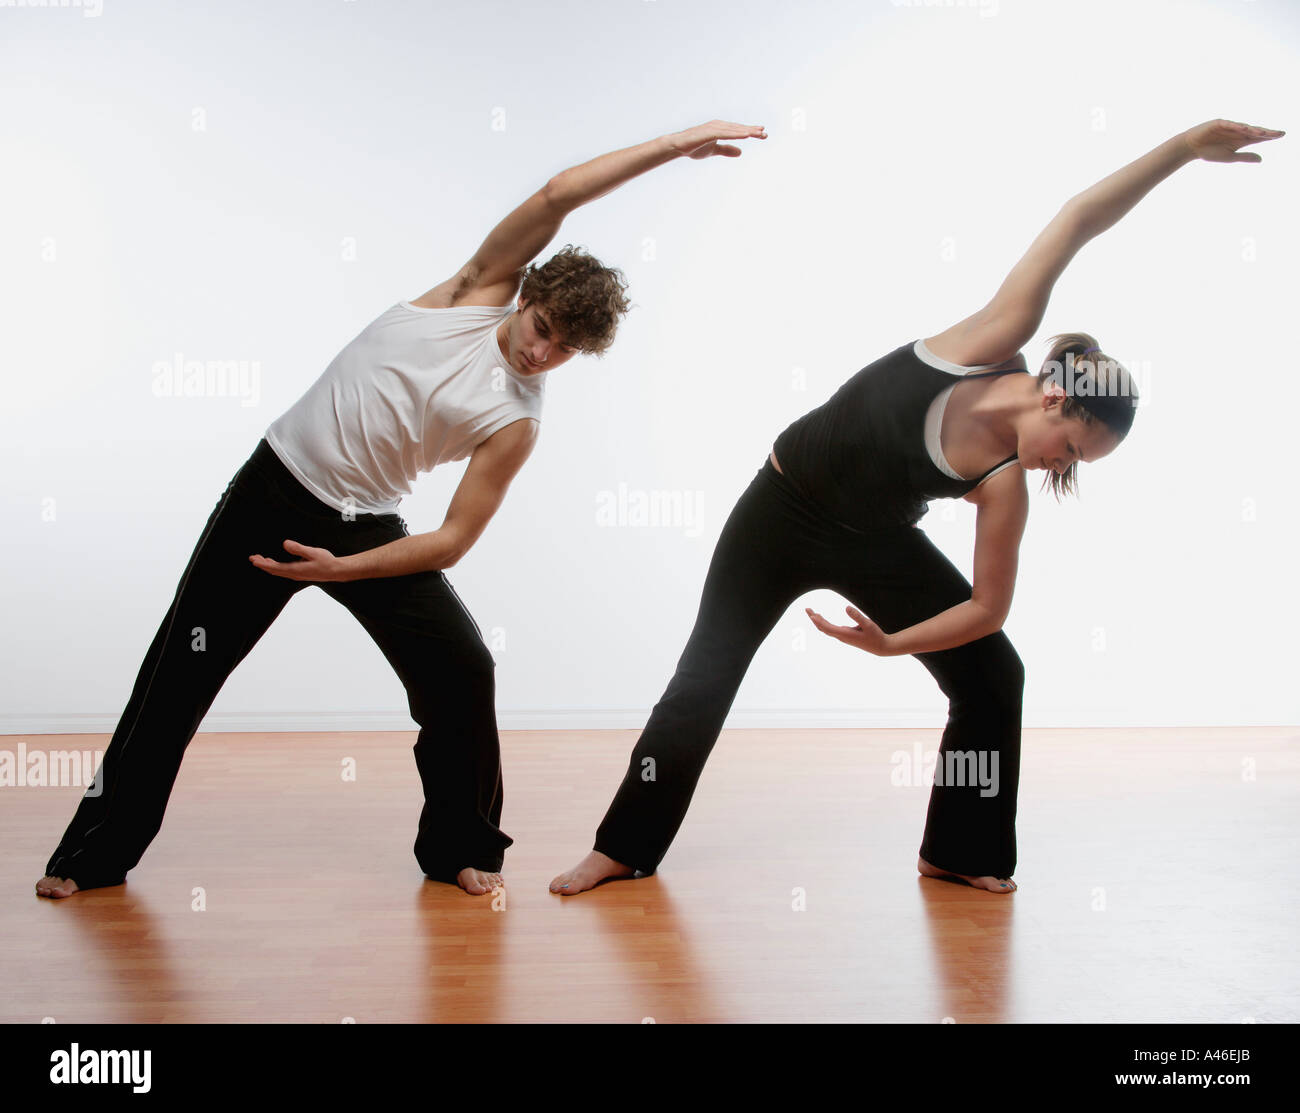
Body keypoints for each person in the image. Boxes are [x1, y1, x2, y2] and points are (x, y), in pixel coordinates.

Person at [35, 119, 768, 900]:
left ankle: (458, 844)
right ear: (526, 296)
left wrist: (344, 567)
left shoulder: (519, 422)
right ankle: (91, 855)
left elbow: (451, 540)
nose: (540, 353)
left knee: (462, 667)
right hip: (273, 489)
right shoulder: (471, 292)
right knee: (181, 671)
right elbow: (558, 195)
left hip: (363, 525)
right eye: (543, 329)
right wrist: (672, 148)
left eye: (562, 352)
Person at [550, 117, 1283, 897]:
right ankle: (622, 847)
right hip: (780, 509)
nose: (1059, 467)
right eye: (1070, 448)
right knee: (706, 673)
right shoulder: (991, 340)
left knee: (994, 677)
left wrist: (893, 646)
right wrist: (1180, 150)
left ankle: (960, 849)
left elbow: (989, 610)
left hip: (873, 538)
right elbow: (1076, 220)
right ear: (1057, 395)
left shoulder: (1003, 482)